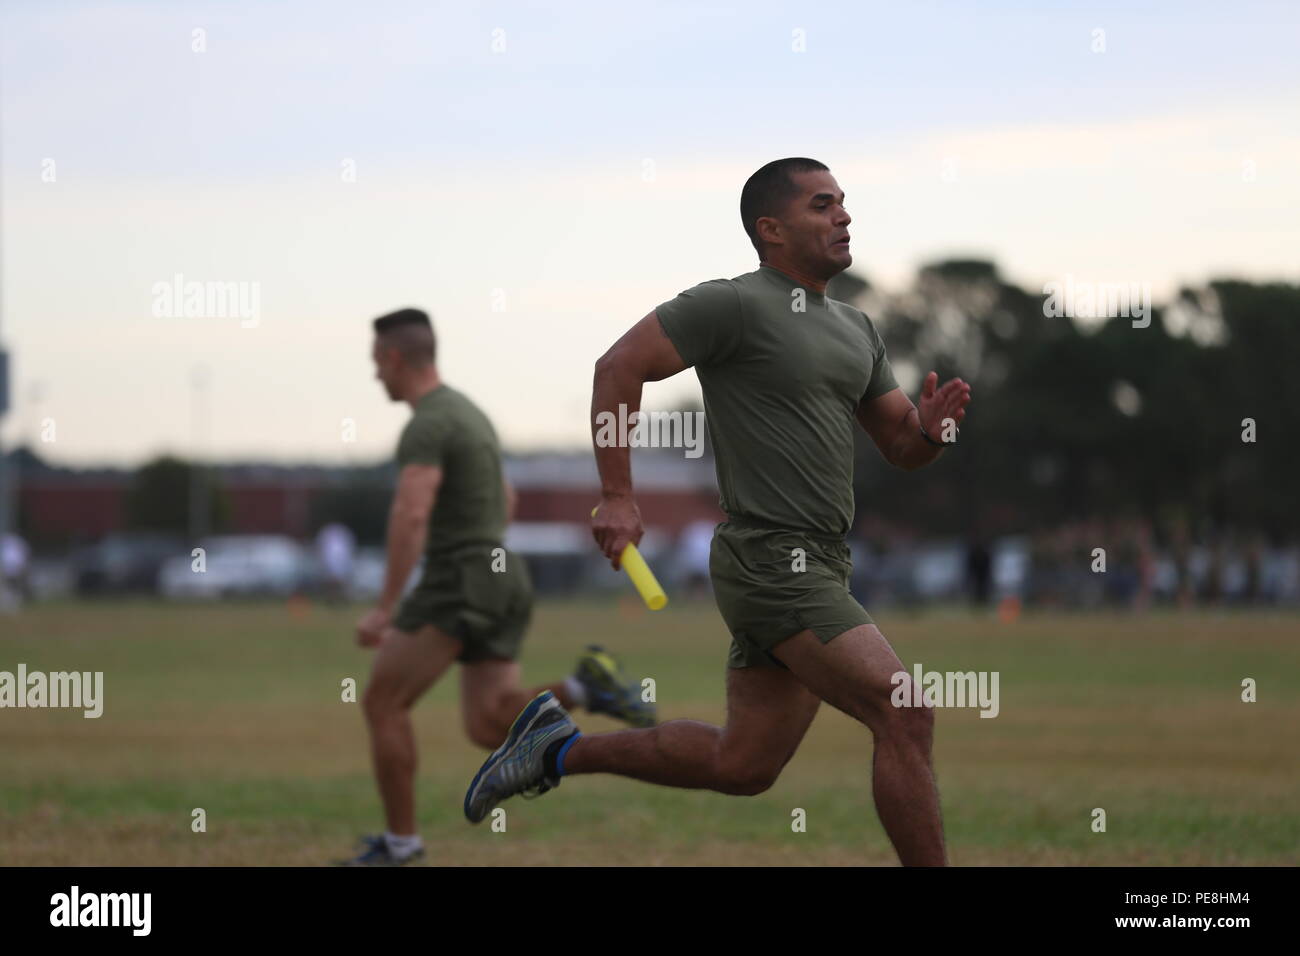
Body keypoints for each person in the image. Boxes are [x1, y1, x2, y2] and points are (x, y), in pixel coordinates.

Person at [462, 159, 971, 866]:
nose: (843, 216)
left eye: (843, 203)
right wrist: (617, 493)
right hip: (769, 559)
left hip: (824, 559)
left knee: (744, 766)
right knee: (904, 709)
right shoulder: (732, 305)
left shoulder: (858, 328)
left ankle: (556, 750)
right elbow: (617, 368)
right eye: (822, 206)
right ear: (771, 229)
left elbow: (898, 444)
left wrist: (932, 434)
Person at [340, 308, 654, 866]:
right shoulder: (470, 414)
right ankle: (585, 688)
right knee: (491, 723)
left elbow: (412, 514)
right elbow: (504, 500)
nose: (375, 377)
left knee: (383, 702)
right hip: (503, 573)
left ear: (393, 358)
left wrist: (386, 607)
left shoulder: (428, 422)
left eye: (375, 364)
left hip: (459, 578)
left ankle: (401, 845)